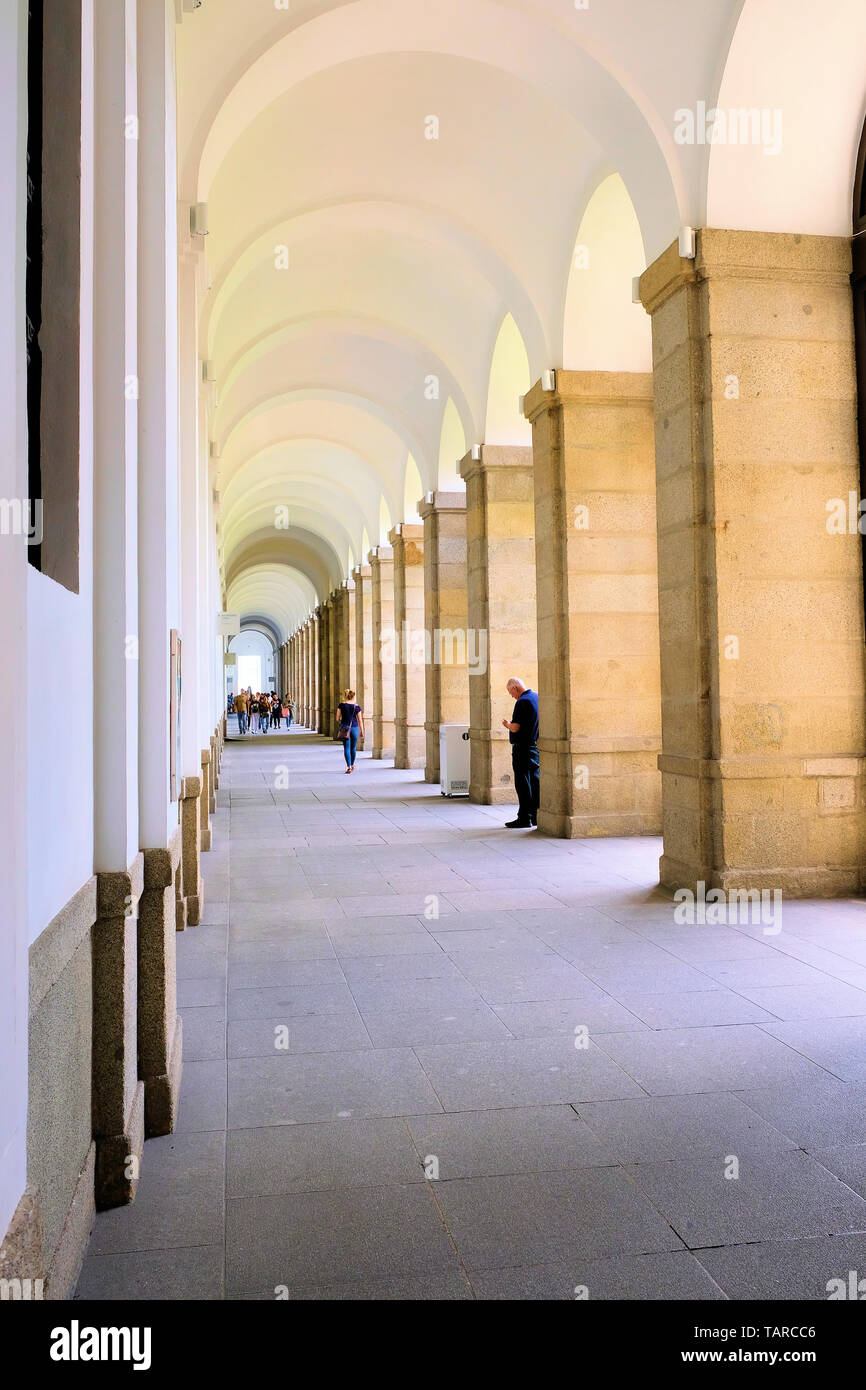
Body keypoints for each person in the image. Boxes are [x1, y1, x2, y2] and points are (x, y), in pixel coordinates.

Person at [501, 676, 539, 828]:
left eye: (511, 692)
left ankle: (524, 817)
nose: (512, 696)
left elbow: (516, 727)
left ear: (515, 688)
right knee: (535, 782)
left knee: (522, 783)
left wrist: (507, 724)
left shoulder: (522, 701)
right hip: (534, 747)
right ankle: (536, 816)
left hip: (522, 748)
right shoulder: (536, 697)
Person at [336, 688, 364, 773]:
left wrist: (342, 718)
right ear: (353, 697)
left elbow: (337, 718)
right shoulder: (357, 707)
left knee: (346, 748)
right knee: (353, 748)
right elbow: (360, 720)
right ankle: (352, 764)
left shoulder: (341, 705)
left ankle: (348, 766)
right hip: (355, 728)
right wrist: (362, 731)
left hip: (345, 728)